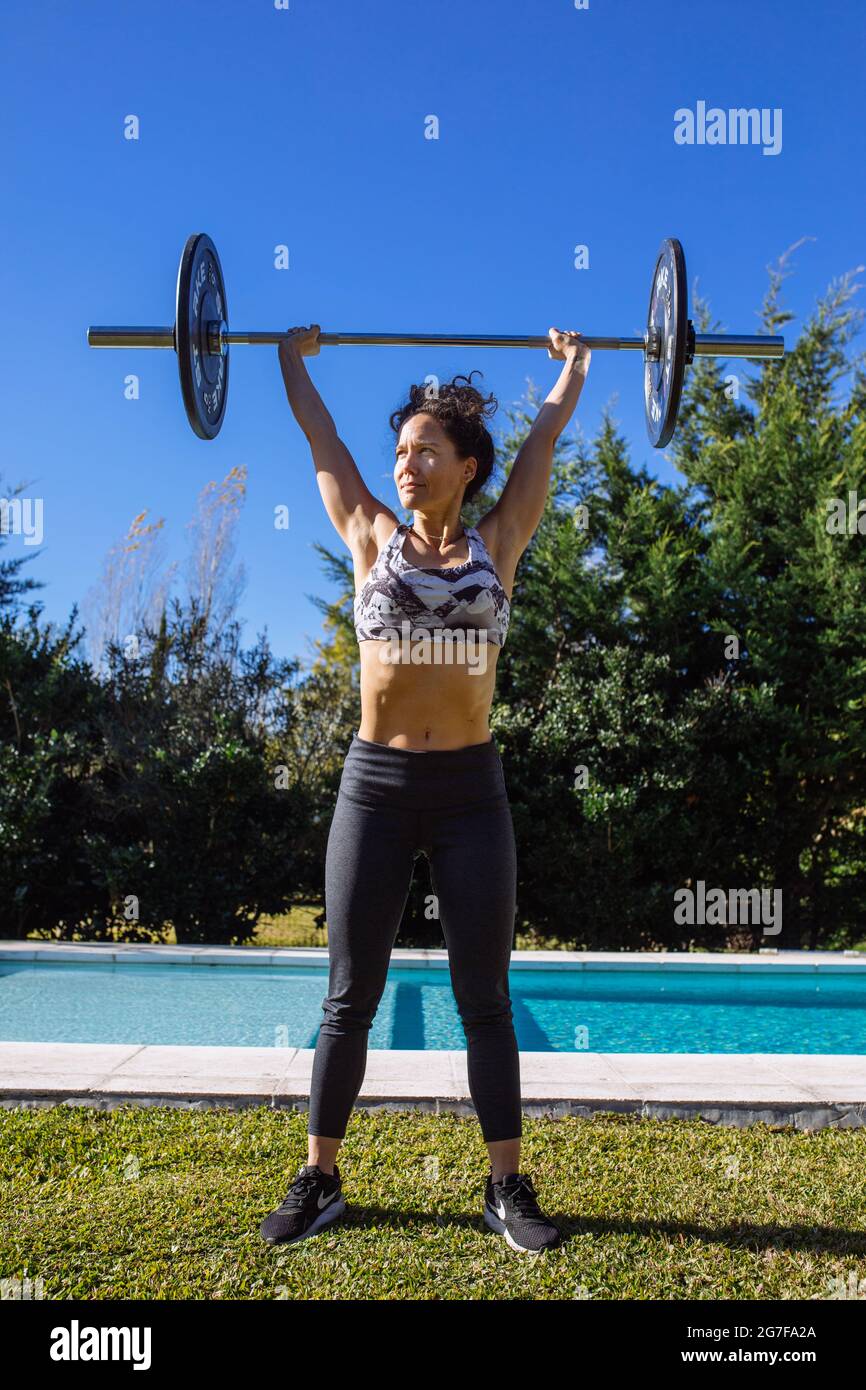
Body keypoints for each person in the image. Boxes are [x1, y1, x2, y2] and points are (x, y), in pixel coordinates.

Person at [260, 325, 590, 1255]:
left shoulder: (500, 538)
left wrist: (572, 371)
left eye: (423, 451)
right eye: (399, 451)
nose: (404, 464)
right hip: (375, 785)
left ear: (465, 464)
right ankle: (319, 1177)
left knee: (484, 994)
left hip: (470, 792)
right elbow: (320, 437)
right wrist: (291, 363)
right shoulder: (370, 536)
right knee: (348, 995)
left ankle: (505, 1188)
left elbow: (542, 444)